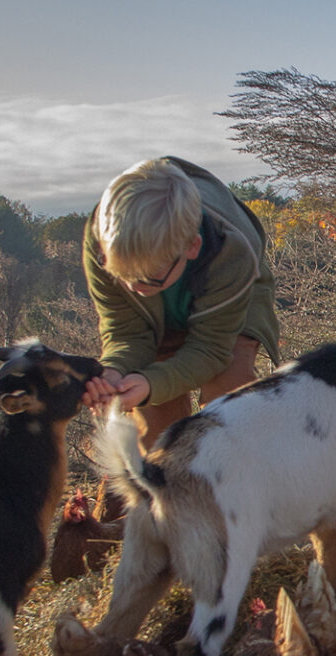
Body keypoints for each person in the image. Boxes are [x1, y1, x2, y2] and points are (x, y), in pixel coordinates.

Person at [80, 157, 280, 450]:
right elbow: (126, 333)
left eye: (149, 279)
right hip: (159, 319)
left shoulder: (234, 250)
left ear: (192, 247)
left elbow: (210, 350)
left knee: (227, 400)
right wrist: (114, 372)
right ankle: (165, 491)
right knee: (156, 432)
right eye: (122, 276)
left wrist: (150, 384)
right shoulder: (104, 243)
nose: (134, 289)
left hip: (232, 309)